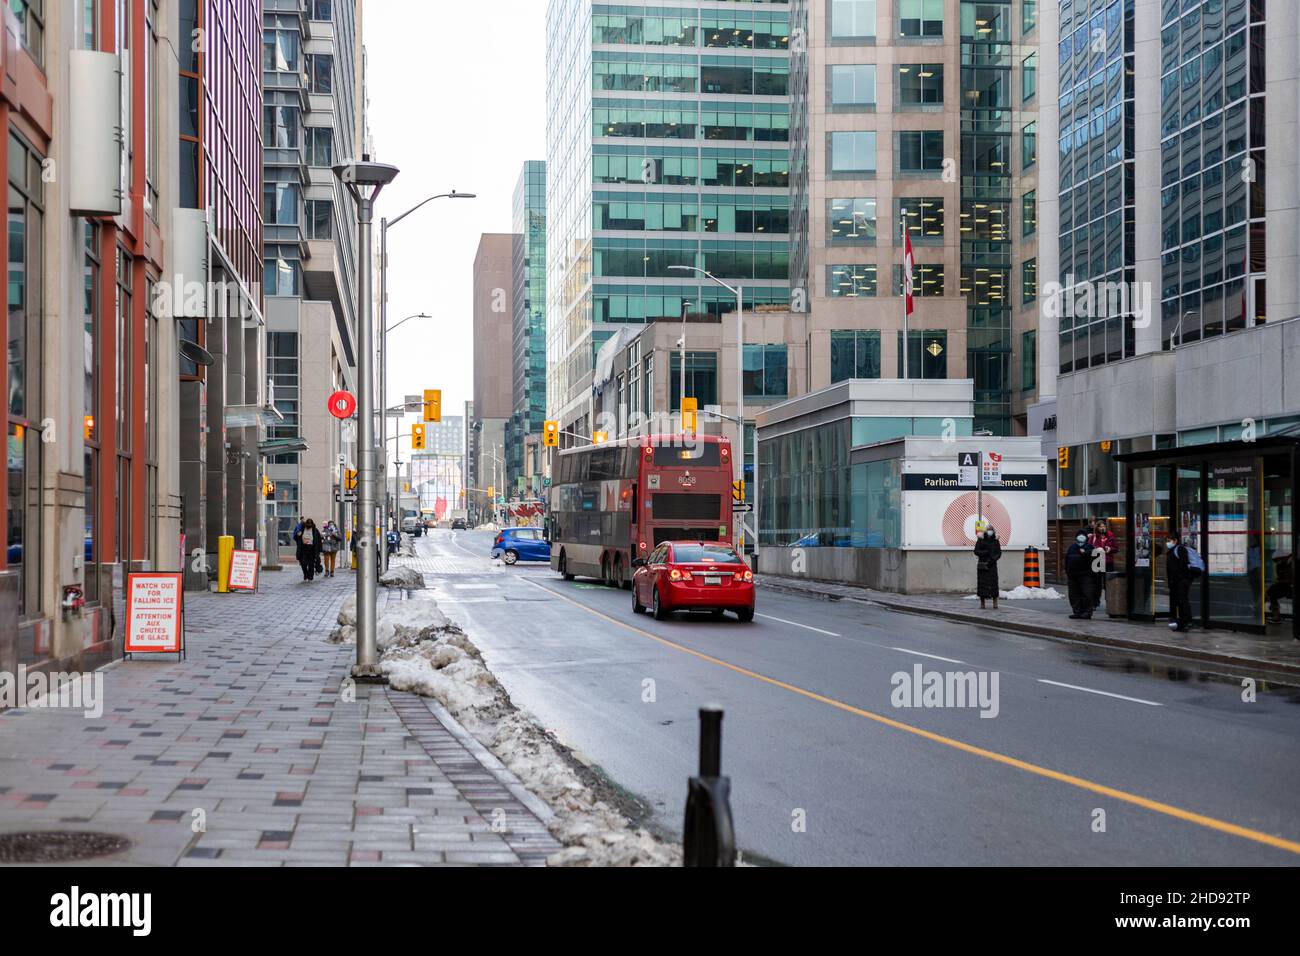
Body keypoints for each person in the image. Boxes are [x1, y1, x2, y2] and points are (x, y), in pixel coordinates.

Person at [1165, 529, 1198, 633]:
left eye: (1169, 540)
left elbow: (1183, 565)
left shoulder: (1180, 549)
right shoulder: (1172, 551)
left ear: (1175, 540)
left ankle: (1187, 621)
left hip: (1182, 580)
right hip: (1176, 581)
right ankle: (1181, 622)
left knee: (1183, 601)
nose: (1167, 542)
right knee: (1179, 601)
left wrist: (1178, 578)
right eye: (1167, 540)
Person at [1065, 529, 1095, 619]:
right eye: (1079, 535)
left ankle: (1087, 612)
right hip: (1072, 576)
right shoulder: (1072, 547)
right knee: (1073, 595)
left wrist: (1085, 553)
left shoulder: (1089, 547)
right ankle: (1077, 612)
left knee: (1087, 594)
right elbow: (1067, 560)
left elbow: (1094, 558)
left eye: (1083, 535)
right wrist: (1067, 572)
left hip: (1086, 575)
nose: (1081, 537)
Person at [1088, 519, 1117, 611]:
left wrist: (1110, 549)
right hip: (1097, 561)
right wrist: (1096, 549)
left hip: (1108, 562)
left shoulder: (1111, 535)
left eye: (1104, 526)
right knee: (1096, 584)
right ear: (1097, 528)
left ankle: (1110, 603)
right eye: (1100, 527)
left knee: (1108, 583)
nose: (1102, 528)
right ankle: (1094, 603)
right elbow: (1088, 548)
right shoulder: (1093, 537)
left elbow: (1116, 548)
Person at [973, 525, 1001, 610]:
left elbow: (998, 553)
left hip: (992, 565)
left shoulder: (995, 540)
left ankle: (995, 602)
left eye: (991, 530)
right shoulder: (981, 539)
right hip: (983, 564)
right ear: (985, 531)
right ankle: (982, 603)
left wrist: (992, 560)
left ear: (993, 531)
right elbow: (976, 551)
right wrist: (986, 552)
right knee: (982, 584)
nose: (989, 531)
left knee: (993, 584)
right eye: (988, 529)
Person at [1267, 550, 1293, 626]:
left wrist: (1280, 581)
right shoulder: (1281, 565)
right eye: (1276, 561)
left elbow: (1292, 579)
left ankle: (1276, 615)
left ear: (1282, 557)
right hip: (1286, 586)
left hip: (1290, 586)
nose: (1277, 562)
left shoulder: (1291, 563)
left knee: (1271, 593)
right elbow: (1280, 577)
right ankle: (1276, 615)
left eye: (1277, 560)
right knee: (1271, 593)